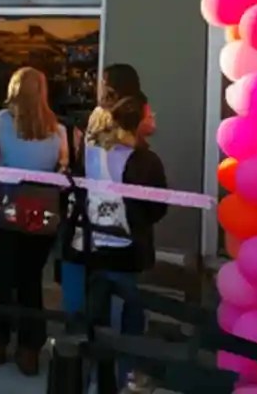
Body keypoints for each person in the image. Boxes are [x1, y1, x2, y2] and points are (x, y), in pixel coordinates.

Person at [61, 96, 168, 390]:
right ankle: (116, 382)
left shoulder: (91, 151)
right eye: (150, 113)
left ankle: (81, 380)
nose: (154, 116)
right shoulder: (145, 161)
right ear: (139, 123)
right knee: (123, 326)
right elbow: (157, 208)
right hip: (124, 253)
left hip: (87, 246)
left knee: (87, 321)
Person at [0, 68, 68, 376]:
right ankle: (30, 348)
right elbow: (62, 170)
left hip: (0, 213)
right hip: (40, 217)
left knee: (0, 278)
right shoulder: (59, 130)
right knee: (30, 281)